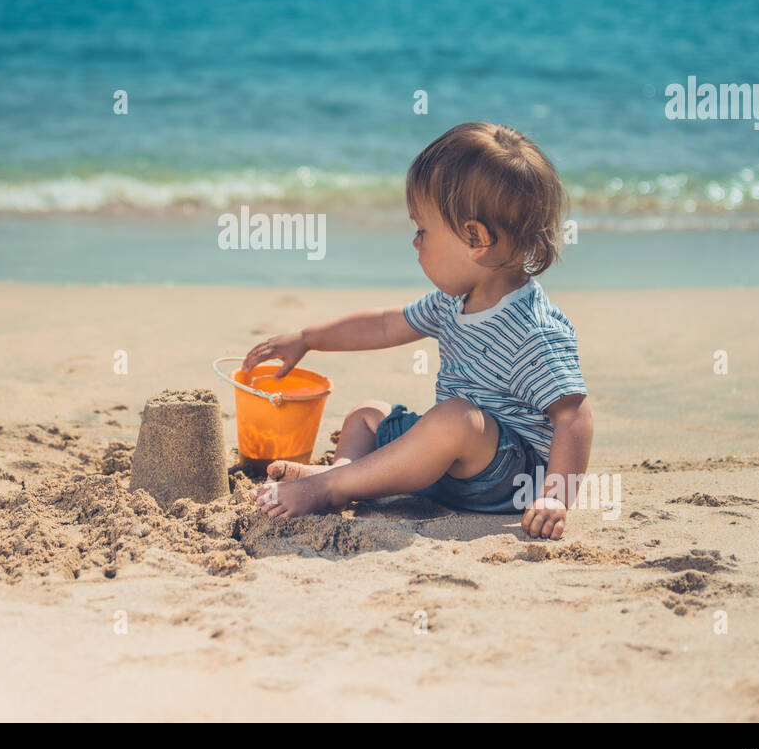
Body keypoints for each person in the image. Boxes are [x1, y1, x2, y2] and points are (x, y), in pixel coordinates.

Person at [242, 121, 592, 540]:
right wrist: (308, 338)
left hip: (507, 480)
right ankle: (345, 475)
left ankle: (327, 486)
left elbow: (573, 417)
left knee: (455, 417)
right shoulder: (453, 299)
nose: (415, 242)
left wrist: (556, 496)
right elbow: (387, 324)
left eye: (423, 230)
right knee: (369, 414)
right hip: (448, 464)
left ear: (475, 238)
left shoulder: (532, 331)